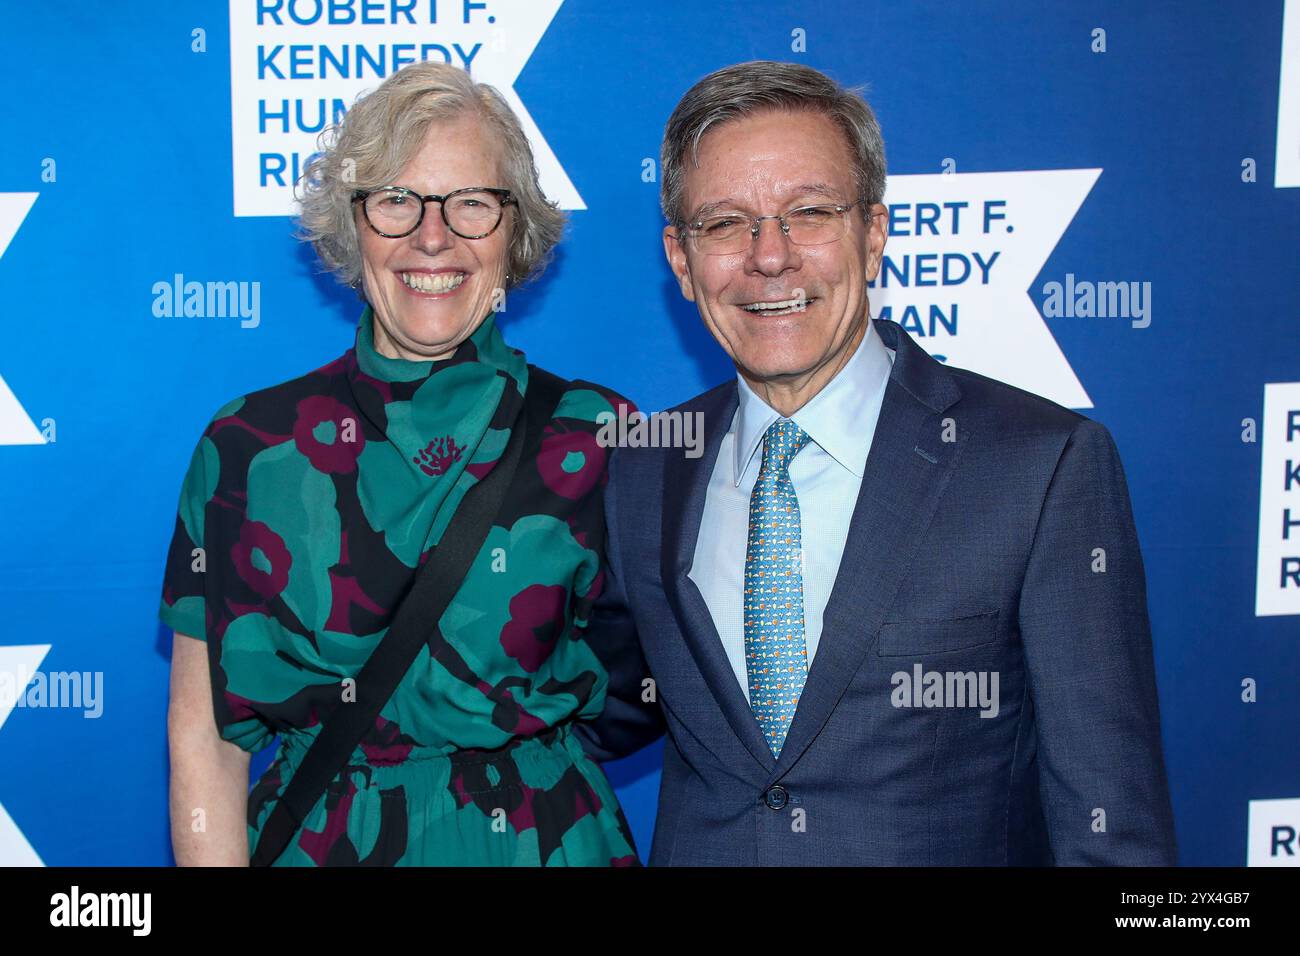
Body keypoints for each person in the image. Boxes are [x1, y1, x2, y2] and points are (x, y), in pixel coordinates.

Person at [578, 60, 1178, 865]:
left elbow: (1112, 825)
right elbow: (593, 707)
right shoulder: (645, 469)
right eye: (725, 224)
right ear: (682, 260)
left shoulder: (1042, 467)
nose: (769, 257)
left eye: (810, 213)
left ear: (872, 234)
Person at [162, 60, 646, 866]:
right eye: (396, 201)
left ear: (514, 231)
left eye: (471, 204)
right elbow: (207, 739)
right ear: (352, 226)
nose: (433, 236)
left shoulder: (603, 437)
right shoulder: (246, 448)